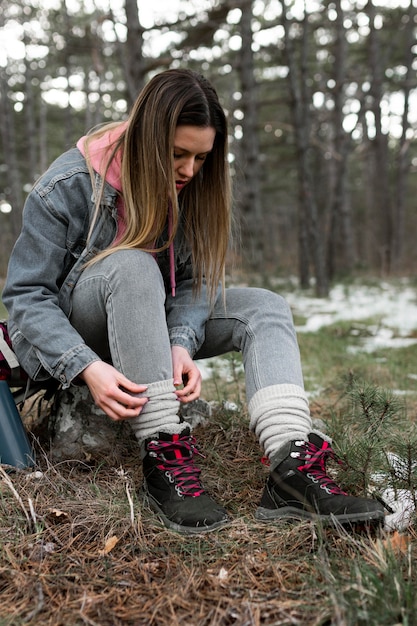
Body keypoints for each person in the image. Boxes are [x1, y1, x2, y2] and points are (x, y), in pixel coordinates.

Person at [2, 69, 385, 534]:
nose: (188, 170)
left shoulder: (193, 186)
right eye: (177, 154)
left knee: (264, 306)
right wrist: (86, 366)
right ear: (145, 140)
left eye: (201, 157)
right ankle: (166, 456)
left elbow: (195, 279)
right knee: (133, 264)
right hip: (81, 333)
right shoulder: (67, 185)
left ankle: (293, 467)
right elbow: (26, 295)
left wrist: (180, 342)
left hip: (152, 324)